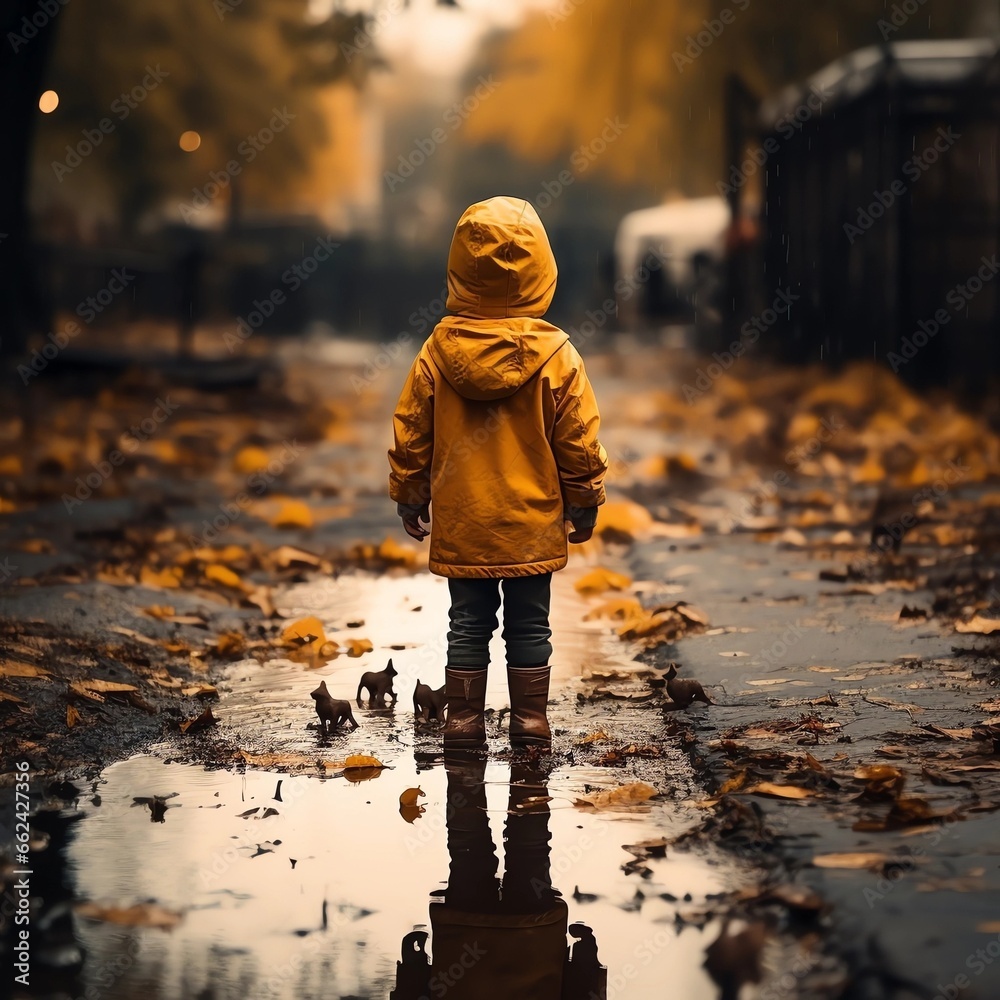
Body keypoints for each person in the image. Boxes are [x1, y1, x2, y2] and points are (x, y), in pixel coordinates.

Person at [388, 196, 608, 752]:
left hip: (465, 520)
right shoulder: (558, 355)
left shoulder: (437, 352)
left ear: (461, 270)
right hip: (531, 522)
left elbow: (413, 430)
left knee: (467, 626)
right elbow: (577, 437)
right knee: (530, 628)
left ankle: (462, 723)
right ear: (542, 270)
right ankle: (530, 723)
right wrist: (585, 498)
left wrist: (410, 493)